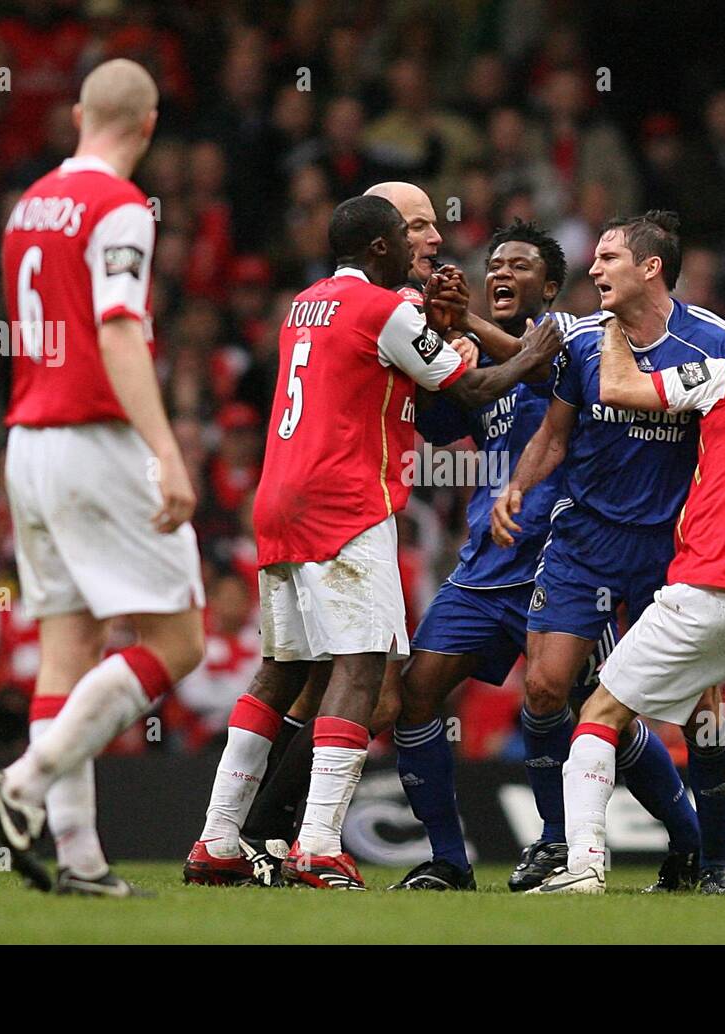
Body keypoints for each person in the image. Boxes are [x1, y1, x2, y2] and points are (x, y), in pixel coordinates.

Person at [186, 193, 561, 890]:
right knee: (361, 670)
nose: (425, 245)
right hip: (345, 502)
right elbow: (473, 386)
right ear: (382, 248)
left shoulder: (303, 304)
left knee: (282, 669)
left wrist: (445, 324)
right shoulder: (383, 309)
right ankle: (318, 845)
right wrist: (529, 353)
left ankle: (217, 838)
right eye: (409, 233)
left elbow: (391, 384)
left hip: (278, 500)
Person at [390, 221, 701, 891]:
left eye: (520, 266)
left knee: (592, 706)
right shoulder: (479, 357)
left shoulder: (577, 334)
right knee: (414, 693)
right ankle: (449, 859)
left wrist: (463, 316)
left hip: (564, 559)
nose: (502, 273)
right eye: (493, 264)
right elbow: (441, 418)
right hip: (486, 563)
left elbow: (537, 356)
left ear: (552, 286)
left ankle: (672, 837)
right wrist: (441, 336)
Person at [0, 59, 206, 897]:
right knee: (179, 642)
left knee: (66, 651)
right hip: (96, 440)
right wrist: (167, 450)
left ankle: (80, 862)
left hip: (28, 441)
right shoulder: (122, 208)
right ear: (146, 128)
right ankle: (22, 786)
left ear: (77, 115)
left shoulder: (28, 204)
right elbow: (115, 332)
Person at [529, 284, 725, 896]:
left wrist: (616, 319)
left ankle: (586, 865)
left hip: (714, 588)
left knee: (600, 715)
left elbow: (620, 389)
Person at [490, 210, 725, 893]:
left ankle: (716, 863)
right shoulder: (579, 342)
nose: (594, 269)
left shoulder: (716, 342)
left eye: (607, 257)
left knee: (701, 704)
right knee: (546, 687)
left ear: (650, 267)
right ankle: (556, 844)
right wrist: (515, 487)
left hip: (675, 548)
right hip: (585, 541)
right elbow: (553, 434)